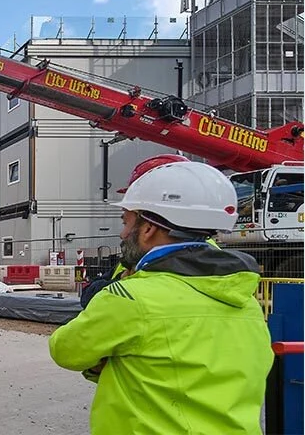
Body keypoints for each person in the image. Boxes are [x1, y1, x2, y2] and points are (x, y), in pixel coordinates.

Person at [49, 161, 273, 434]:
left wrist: (106, 363)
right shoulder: (247, 302)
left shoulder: (130, 297)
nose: (122, 233)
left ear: (148, 229)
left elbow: (65, 350)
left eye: (126, 222)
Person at [79, 154, 190, 308]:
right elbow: (88, 295)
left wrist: (120, 283)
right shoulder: (213, 262)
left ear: (149, 226)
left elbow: (95, 302)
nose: (123, 234)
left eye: (126, 222)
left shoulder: (137, 297)